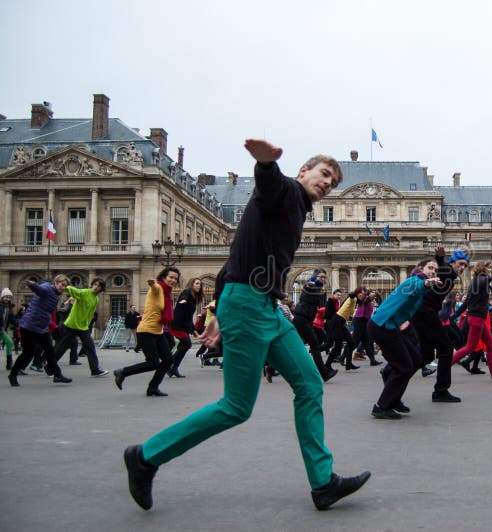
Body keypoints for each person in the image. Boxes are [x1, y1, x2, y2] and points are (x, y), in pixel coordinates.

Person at [121, 138, 369, 512]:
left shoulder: (294, 209)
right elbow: (270, 184)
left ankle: (322, 482)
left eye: (333, 182)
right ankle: (146, 456)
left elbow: (232, 261)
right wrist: (266, 164)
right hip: (250, 306)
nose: (327, 183)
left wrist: (221, 310)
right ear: (303, 171)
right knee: (236, 406)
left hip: (265, 307)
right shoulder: (286, 192)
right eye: (323, 174)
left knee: (309, 384)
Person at [369, 258, 442, 418]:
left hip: (390, 326)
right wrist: (427, 283)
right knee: (404, 367)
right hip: (382, 325)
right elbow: (418, 286)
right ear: (420, 268)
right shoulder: (413, 281)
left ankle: (392, 393)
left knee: (415, 360)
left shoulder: (421, 288)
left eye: (435, 270)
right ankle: (381, 406)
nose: (433, 272)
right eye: (430, 268)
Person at [410, 247, 470, 403]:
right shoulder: (448, 270)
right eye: (460, 264)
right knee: (446, 349)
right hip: (426, 313)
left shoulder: (450, 275)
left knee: (427, 355)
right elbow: (443, 269)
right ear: (453, 262)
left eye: (465, 265)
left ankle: (393, 371)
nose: (462, 267)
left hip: (423, 313)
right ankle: (441, 391)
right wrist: (440, 258)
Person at [114, 268, 179, 396]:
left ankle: (153, 388)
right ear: (164, 277)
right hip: (146, 331)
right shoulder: (159, 288)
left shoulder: (167, 293)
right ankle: (123, 372)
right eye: (171, 277)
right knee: (153, 363)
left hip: (158, 331)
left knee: (168, 360)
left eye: (176, 278)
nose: (173, 280)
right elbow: (154, 288)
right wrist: (152, 283)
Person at [8, 276, 72, 386]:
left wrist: (53, 326)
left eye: (65, 286)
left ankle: (57, 375)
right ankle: (13, 374)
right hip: (29, 326)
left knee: (49, 351)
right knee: (28, 353)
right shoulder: (47, 288)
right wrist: (32, 285)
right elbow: (39, 290)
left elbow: (46, 313)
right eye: (62, 284)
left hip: (41, 327)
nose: (63, 287)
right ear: (56, 282)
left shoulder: (55, 295)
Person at [451, 262, 492, 382]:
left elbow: (466, 303)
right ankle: (444, 365)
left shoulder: (475, 282)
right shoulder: (479, 280)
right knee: (470, 347)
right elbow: (486, 279)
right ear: (483, 269)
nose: (490, 270)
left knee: (490, 345)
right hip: (477, 318)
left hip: (477, 318)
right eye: (488, 268)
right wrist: (488, 275)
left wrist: (455, 315)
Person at [52, 278, 109, 377]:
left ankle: (95, 370)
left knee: (90, 347)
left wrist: (87, 323)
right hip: (72, 325)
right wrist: (65, 286)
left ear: (101, 288)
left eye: (99, 286)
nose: (96, 287)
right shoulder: (85, 292)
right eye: (95, 284)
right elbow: (75, 291)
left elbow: (90, 313)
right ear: (92, 285)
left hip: (82, 327)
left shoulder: (96, 298)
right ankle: (49, 367)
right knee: (62, 348)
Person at [293, 268, 337, 381]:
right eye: (320, 276)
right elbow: (309, 287)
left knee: (293, 345)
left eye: (324, 277)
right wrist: (312, 282)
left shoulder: (318, 288)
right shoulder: (311, 285)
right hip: (302, 319)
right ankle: (324, 374)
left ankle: (270, 368)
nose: (323, 279)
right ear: (315, 276)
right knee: (315, 346)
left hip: (305, 320)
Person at [168, 277, 204, 378]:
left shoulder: (194, 297)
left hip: (183, 325)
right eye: (197, 283)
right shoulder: (187, 292)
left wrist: (193, 330)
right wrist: (183, 300)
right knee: (187, 344)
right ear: (191, 284)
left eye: (200, 284)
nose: (199, 286)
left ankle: (173, 368)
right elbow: (184, 297)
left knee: (183, 345)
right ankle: (170, 365)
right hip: (178, 324)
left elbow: (188, 316)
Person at [1, 288, 16, 370]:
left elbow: (12, 319)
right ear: (2, 297)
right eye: (6, 297)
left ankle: (9, 363)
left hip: (2, 330)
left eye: (9, 297)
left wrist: (20, 324)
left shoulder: (9, 308)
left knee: (10, 343)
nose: (8, 299)